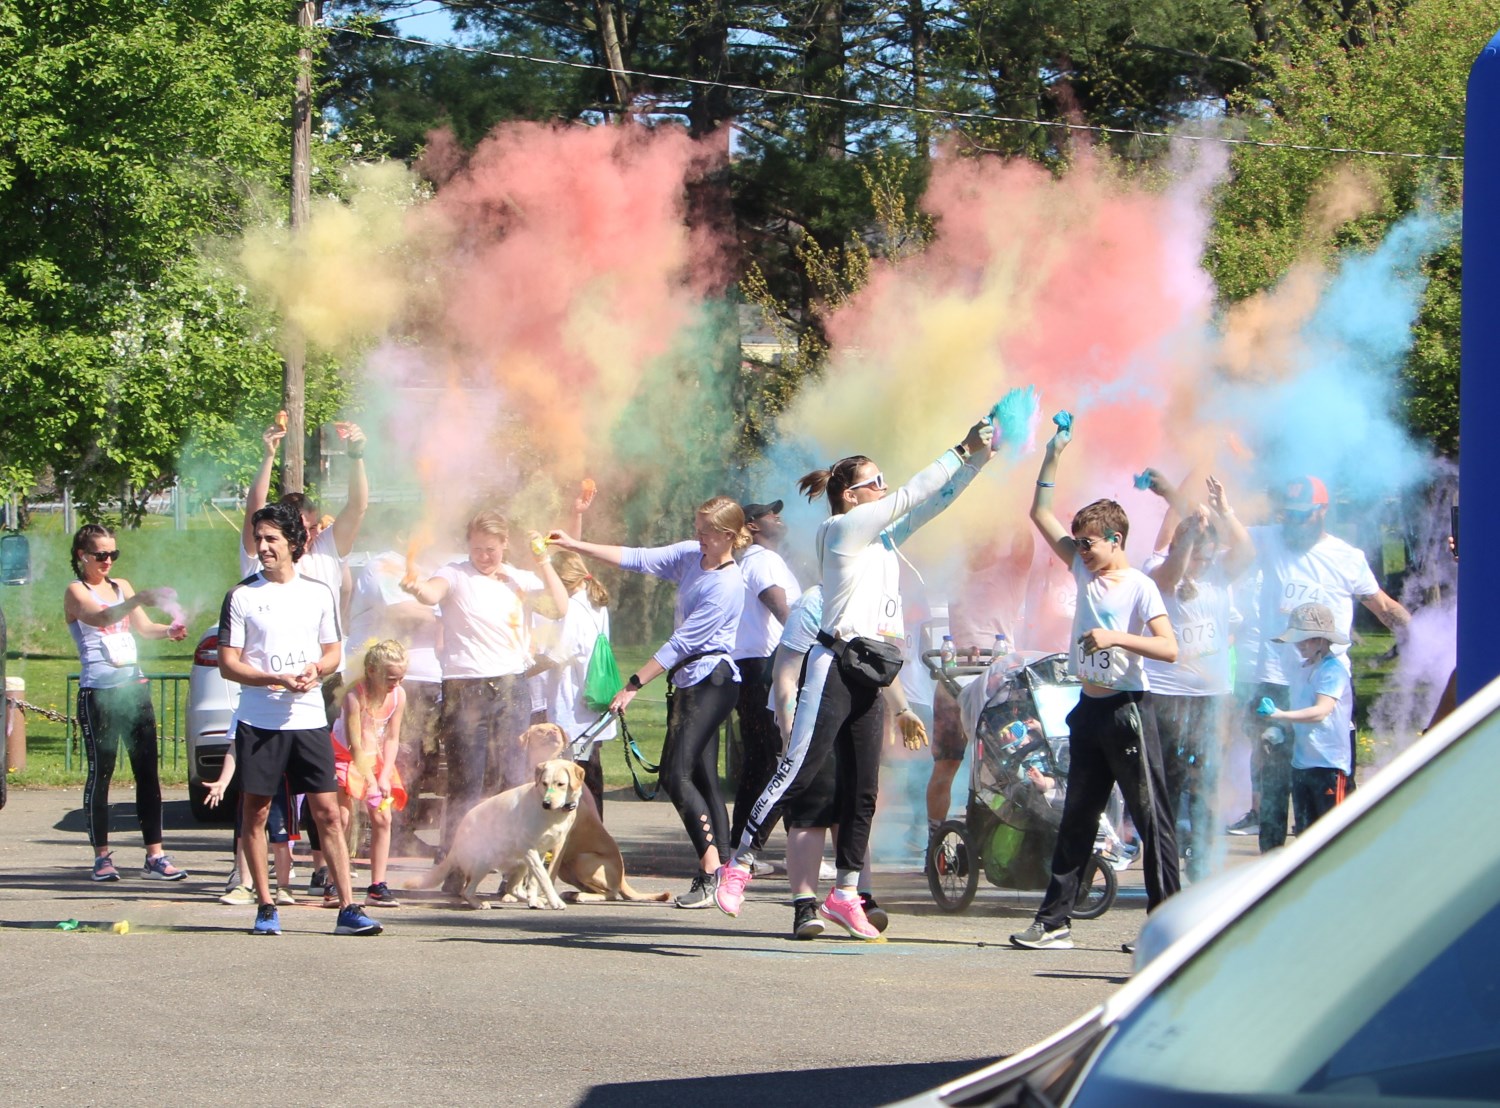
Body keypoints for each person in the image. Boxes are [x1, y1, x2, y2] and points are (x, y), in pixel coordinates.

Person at [714, 416, 996, 939]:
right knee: (797, 771)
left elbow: (935, 501)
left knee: (864, 789)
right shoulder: (842, 530)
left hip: (871, 670)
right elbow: (915, 493)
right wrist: (961, 447)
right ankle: (739, 864)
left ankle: (845, 893)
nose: (884, 489)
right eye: (874, 482)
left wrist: (980, 460)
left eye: (883, 482)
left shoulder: (881, 541)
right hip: (835, 666)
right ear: (849, 495)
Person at [1010, 418, 1180, 952]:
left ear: (1116, 540)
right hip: (1089, 711)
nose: (1080, 550)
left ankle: (1168, 927)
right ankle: (1055, 920)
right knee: (1078, 816)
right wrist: (1054, 455)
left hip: (1129, 712)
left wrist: (1116, 639)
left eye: (1089, 543)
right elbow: (1040, 513)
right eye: (1077, 542)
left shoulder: (1141, 587)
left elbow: (1169, 647)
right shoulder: (1084, 572)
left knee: (1152, 821)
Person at [548, 496, 748, 908]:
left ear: (728, 536)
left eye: (706, 532)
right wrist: (575, 545)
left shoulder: (727, 584)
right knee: (705, 780)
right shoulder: (694, 557)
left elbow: (682, 643)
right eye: (697, 527)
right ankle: (723, 874)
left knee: (676, 776)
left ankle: (713, 871)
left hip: (714, 680)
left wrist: (634, 683)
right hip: (691, 682)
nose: (698, 537)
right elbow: (637, 558)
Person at [217, 501, 381, 936]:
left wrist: (318, 669)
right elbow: (228, 663)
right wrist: (271, 676)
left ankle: (349, 908)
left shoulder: (317, 592)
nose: (263, 547)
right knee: (256, 812)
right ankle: (266, 905)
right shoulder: (242, 596)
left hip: (307, 720)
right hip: (260, 721)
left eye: (272, 539)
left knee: (329, 813)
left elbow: (333, 651)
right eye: (259, 539)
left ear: (295, 542)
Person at [1247, 477, 1410, 853]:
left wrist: (1422, 640)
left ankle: (1337, 863)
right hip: (1276, 678)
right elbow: (1226, 532)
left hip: (1326, 684)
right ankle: (1270, 870)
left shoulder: (1346, 557)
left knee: (1330, 781)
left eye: (1301, 515)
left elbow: (1383, 607)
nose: (1292, 522)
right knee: (1273, 784)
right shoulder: (1269, 538)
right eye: (1287, 514)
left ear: (1322, 511)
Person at [402, 510, 568, 862]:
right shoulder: (455, 573)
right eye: (478, 549)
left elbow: (559, 606)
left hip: (511, 687)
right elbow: (433, 593)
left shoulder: (518, 579)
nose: (485, 556)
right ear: (468, 545)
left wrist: (543, 562)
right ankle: (456, 861)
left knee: (510, 777)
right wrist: (418, 587)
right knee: (467, 780)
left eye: (491, 549)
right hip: (466, 690)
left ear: (505, 545)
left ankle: (509, 862)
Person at [770, 585, 927, 938]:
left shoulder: (880, 599)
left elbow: (883, 662)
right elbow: (786, 670)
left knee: (855, 806)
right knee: (812, 811)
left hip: (855, 714)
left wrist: (901, 708)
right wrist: (788, 727)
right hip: (810, 714)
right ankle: (804, 905)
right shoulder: (814, 602)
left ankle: (857, 895)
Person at [1140, 471, 1255, 881]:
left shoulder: (1218, 573)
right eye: (1199, 555)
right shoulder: (1158, 566)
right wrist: (1187, 537)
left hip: (1212, 696)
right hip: (1166, 694)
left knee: (1206, 783)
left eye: (1209, 555)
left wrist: (1224, 512)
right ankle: (1165, 869)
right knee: (1166, 785)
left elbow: (1245, 551)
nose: (1204, 563)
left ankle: (1204, 867)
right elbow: (1170, 575)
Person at [64, 524, 190, 882]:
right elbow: (102, 617)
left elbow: (143, 627)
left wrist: (167, 630)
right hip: (99, 693)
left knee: (147, 772)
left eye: (112, 555)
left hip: (133, 688)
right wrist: (135, 601)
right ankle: (102, 856)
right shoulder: (77, 591)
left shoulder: (122, 587)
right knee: (101, 772)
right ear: (82, 556)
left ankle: (155, 855)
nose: (107, 561)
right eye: (101, 555)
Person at [729, 499, 802, 870]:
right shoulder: (762, 560)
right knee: (777, 758)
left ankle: (744, 848)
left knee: (764, 760)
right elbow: (782, 610)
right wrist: (807, 648)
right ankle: (747, 850)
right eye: (770, 513)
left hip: (758, 666)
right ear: (753, 526)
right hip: (766, 668)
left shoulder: (759, 559)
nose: (779, 516)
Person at [1257, 603, 1354, 830]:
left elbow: (1320, 711)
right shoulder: (1302, 669)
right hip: (1301, 765)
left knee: (1333, 836)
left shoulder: (1333, 670)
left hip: (1329, 766)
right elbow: (1299, 711)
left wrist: (1281, 714)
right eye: (1298, 638)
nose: (1300, 644)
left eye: (1307, 638)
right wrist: (1277, 729)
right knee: (1306, 835)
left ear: (1322, 639)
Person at [532, 549, 615, 815]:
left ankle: (585, 831)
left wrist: (520, 671)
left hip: (574, 707)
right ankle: (595, 828)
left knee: (576, 774)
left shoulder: (573, 609)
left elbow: (558, 654)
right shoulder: (595, 603)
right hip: (592, 703)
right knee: (590, 770)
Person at [332, 639, 408, 907]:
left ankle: (377, 885)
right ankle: (334, 880)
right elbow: (356, 743)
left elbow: (391, 738)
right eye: (390, 678)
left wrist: (385, 775)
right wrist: (372, 782)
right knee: (341, 819)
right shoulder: (356, 696)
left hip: (374, 756)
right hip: (346, 755)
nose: (395, 684)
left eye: (400, 678)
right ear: (372, 671)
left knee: (383, 818)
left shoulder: (399, 695)